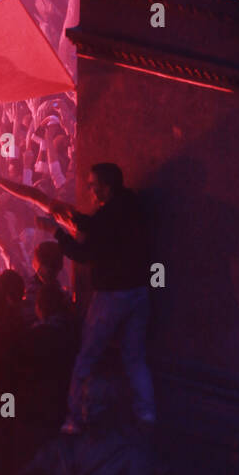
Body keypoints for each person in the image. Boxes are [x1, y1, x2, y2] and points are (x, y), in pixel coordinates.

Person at [53, 163, 155, 432]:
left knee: (87, 356)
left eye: (92, 184)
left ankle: (74, 419)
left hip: (111, 295)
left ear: (105, 188)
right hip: (140, 291)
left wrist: (58, 234)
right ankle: (147, 415)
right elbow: (105, 226)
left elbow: (84, 254)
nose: (88, 189)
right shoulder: (132, 205)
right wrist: (78, 219)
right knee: (135, 357)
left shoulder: (106, 217)